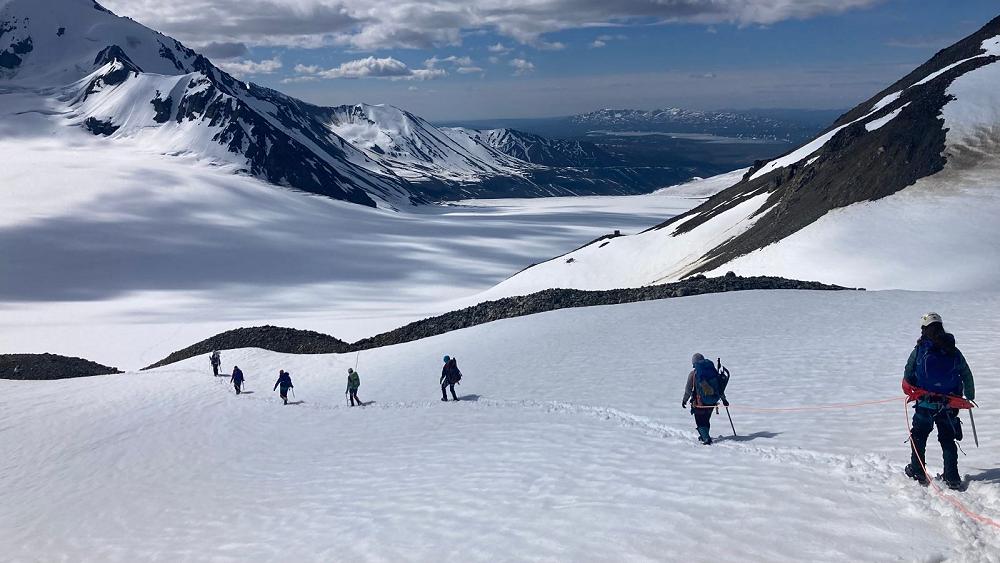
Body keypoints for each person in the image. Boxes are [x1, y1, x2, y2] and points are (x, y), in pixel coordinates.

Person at [903, 312, 975, 490]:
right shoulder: (952, 349)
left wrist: (911, 388)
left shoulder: (920, 350)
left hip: (924, 403)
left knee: (919, 436)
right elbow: (966, 372)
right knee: (947, 439)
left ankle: (918, 471)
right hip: (949, 404)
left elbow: (908, 372)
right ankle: (952, 477)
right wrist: (969, 395)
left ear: (924, 329)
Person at [682, 353, 729, 445]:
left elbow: (688, 389)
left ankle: (706, 438)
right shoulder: (712, 372)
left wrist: (684, 400)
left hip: (700, 402)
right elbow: (719, 388)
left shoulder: (693, 374)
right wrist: (724, 400)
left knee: (700, 421)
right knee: (706, 419)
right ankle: (704, 434)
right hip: (712, 401)